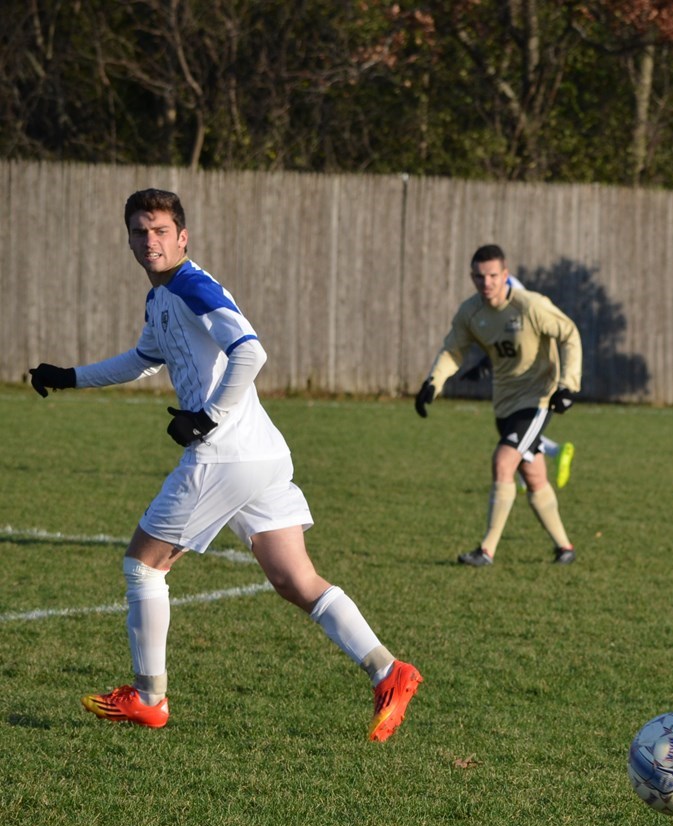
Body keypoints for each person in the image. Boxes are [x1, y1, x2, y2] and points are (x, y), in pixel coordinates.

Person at [27, 188, 421, 741]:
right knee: (295, 579)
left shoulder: (193, 285)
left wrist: (207, 418)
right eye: (140, 231)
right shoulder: (160, 297)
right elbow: (142, 360)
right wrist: (70, 377)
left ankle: (148, 697)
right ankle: (389, 670)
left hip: (226, 455)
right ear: (129, 239)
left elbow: (251, 351)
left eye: (160, 230)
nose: (150, 240)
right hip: (260, 454)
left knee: (144, 566)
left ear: (182, 237)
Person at [414, 245, 582, 565]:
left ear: (505, 275)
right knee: (534, 476)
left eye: (493, 275)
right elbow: (453, 350)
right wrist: (433, 383)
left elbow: (569, 333)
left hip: (537, 399)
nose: (486, 282)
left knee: (503, 462)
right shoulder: (471, 312)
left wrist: (568, 385)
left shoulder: (529, 305)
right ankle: (565, 548)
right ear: (472, 277)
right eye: (479, 276)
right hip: (504, 404)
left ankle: (486, 550)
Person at [461, 272, 577, 491]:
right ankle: (543, 463)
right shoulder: (499, 291)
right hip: (517, 377)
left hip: (529, 379)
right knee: (513, 429)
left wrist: (485, 365)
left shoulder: (514, 294)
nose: (485, 282)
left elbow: (519, 332)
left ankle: (535, 468)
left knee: (513, 435)